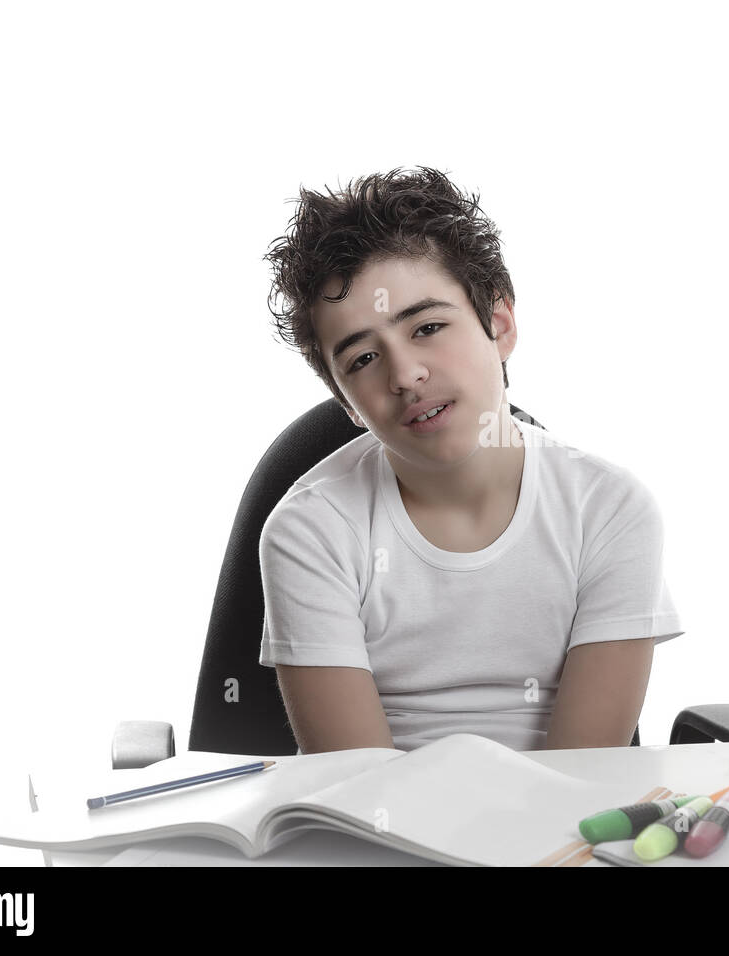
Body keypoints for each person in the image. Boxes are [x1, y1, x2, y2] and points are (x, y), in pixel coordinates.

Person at [260, 166, 682, 754]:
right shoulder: (310, 529)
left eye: (428, 327)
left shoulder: (608, 509)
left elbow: (583, 778)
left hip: (554, 837)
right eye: (361, 361)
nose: (405, 375)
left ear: (500, 323)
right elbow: (354, 789)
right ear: (346, 404)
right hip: (379, 837)